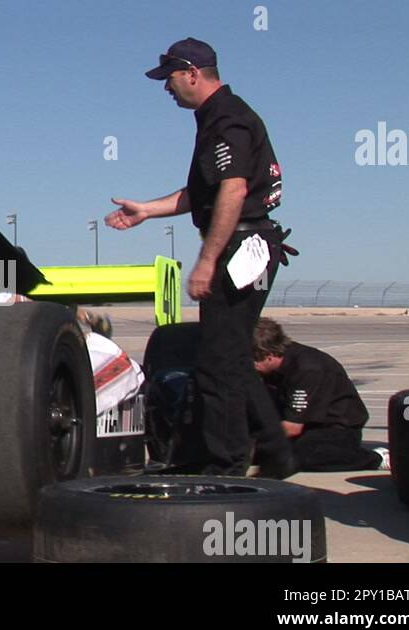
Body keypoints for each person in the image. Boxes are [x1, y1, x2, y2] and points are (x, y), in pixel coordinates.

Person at [104, 37, 294, 478]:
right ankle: (276, 453)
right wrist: (147, 211)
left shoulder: (228, 120)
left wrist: (208, 260)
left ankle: (225, 464)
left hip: (241, 248)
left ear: (192, 72)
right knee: (228, 356)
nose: (166, 88)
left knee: (216, 365)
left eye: (169, 78)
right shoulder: (215, 119)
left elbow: (233, 190)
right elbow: (204, 190)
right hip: (245, 243)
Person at [252, 318, 388, 472]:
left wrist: (250, 440)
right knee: (258, 453)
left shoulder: (307, 368)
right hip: (302, 426)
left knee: (301, 456)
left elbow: (292, 427)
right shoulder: (271, 368)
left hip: (336, 427)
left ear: (269, 356)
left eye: (251, 361)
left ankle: (376, 458)